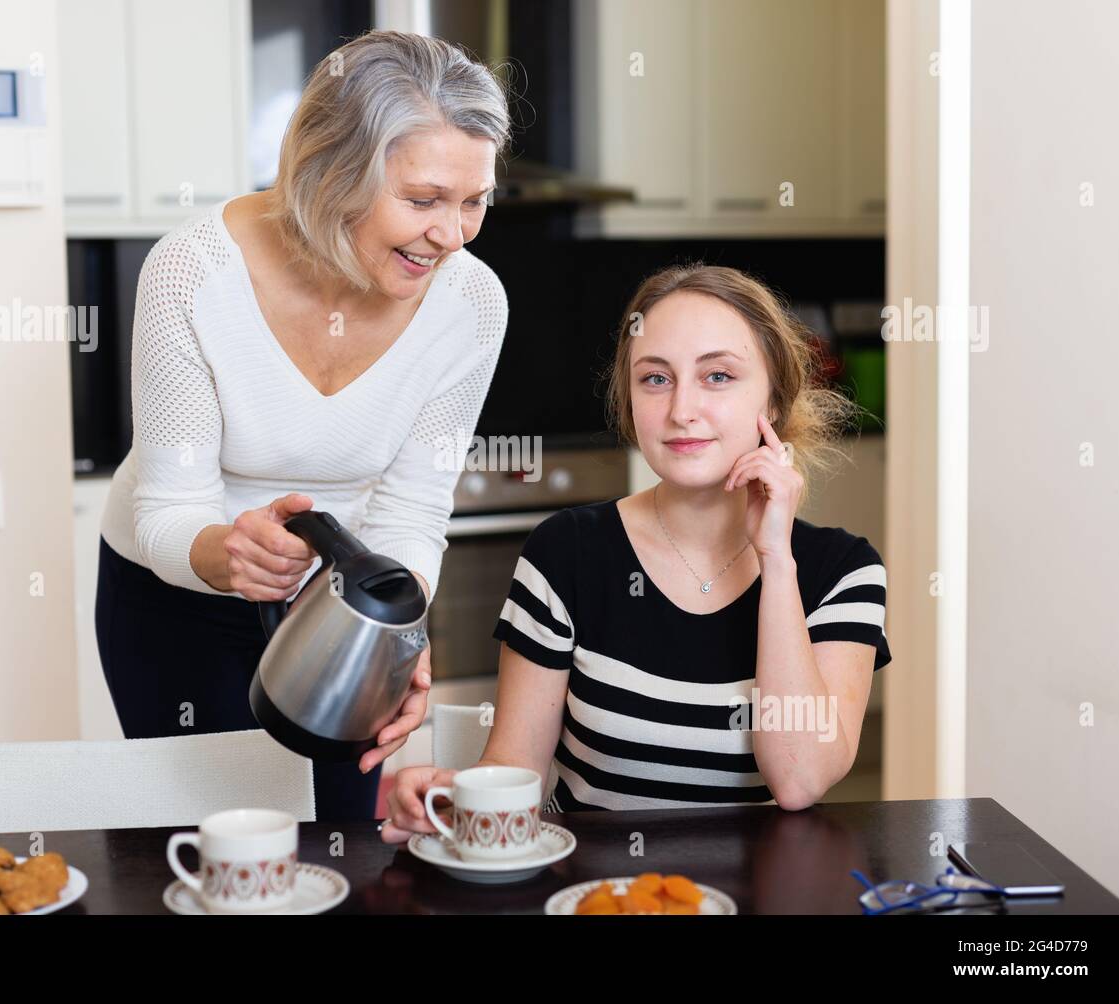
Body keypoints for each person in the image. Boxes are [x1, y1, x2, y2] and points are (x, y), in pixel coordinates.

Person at [95, 31, 511, 821]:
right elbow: (169, 509)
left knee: (339, 836)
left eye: (475, 200)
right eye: (423, 200)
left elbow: (413, 510)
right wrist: (230, 550)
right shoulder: (192, 272)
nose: (452, 234)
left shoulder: (472, 302)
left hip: (344, 603)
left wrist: (398, 630)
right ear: (330, 172)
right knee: (208, 844)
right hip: (175, 594)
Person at [381, 263, 891, 841]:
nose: (681, 410)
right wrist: (448, 797)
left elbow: (799, 782)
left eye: (718, 376)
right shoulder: (566, 552)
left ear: (772, 402)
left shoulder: (843, 573)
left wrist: (776, 560)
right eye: (656, 379)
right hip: (595, 897)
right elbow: (516, 769)